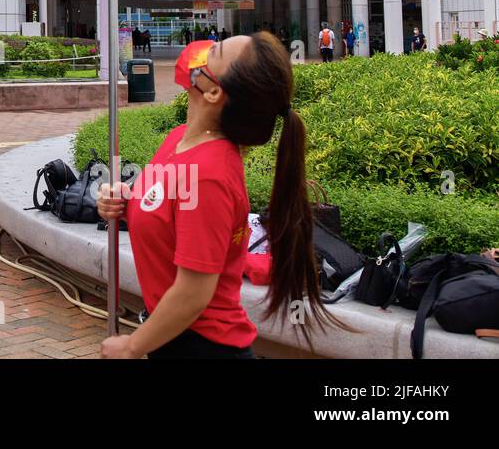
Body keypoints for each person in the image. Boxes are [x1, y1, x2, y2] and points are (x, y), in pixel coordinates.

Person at [97, 32, 343, 358]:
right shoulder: (178, 139)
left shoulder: (209, 175)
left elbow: (194, 292)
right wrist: (125, 203)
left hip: (202, 347)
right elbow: (168, 211)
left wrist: (130, 347)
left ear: (213, 91)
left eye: (214, 51)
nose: (198, 51)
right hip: (171, 339)